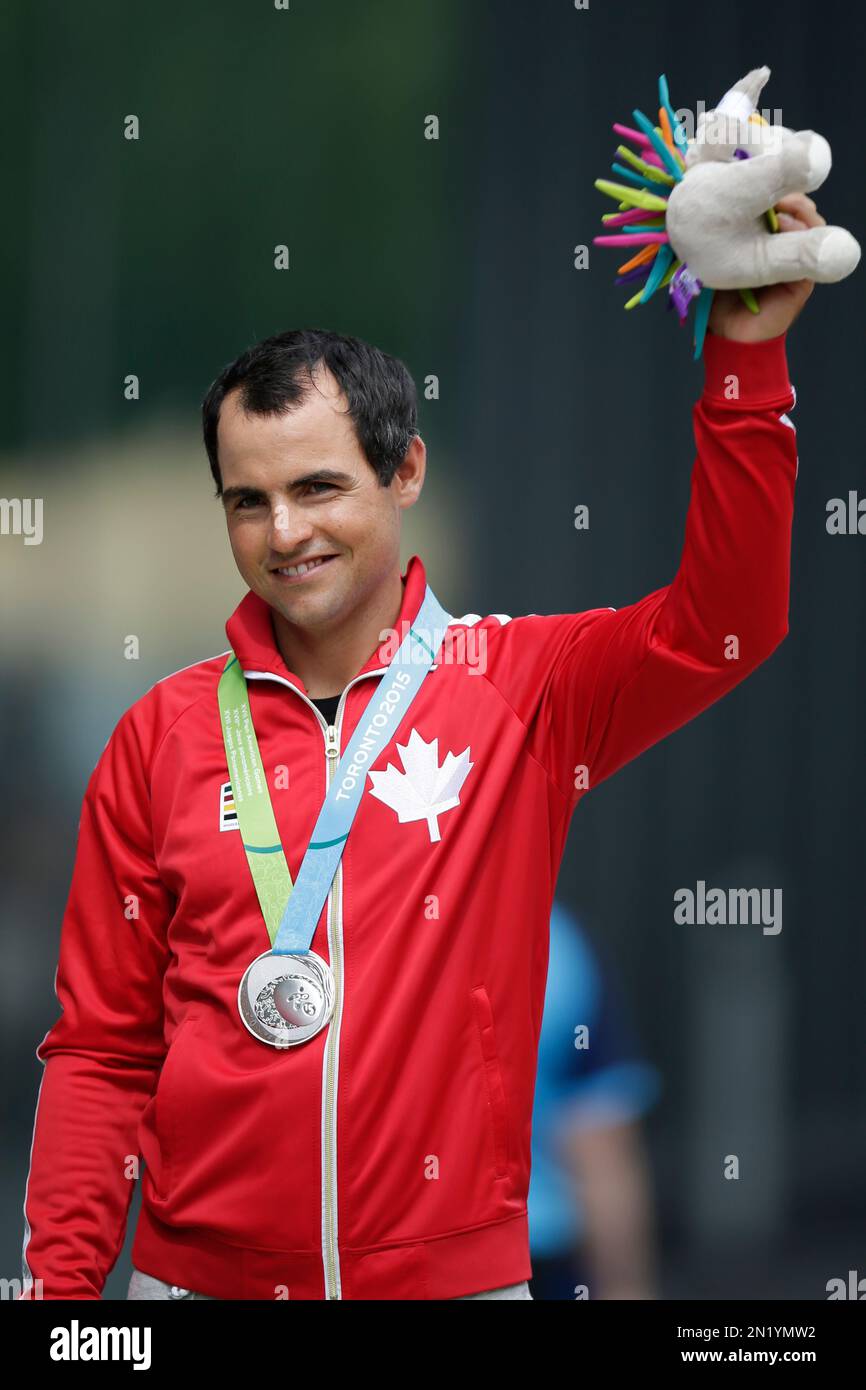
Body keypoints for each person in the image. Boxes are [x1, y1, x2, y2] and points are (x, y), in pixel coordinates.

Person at [19, 193, 821, 1300]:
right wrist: (60, 1305)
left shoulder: (519, 688)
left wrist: (744, 357)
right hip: (192, 1288)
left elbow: (728, 619)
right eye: (246, 501)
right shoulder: (158, 735)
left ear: (405, 474)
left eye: (316, 487)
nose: (283, 533)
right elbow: (101, 1054)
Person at [528, 901, 661, 1300]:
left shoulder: (357, 940)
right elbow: (602, 1154)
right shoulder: (557, 944)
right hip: (543, 1261)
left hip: (395, 1262)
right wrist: (626, 1286)